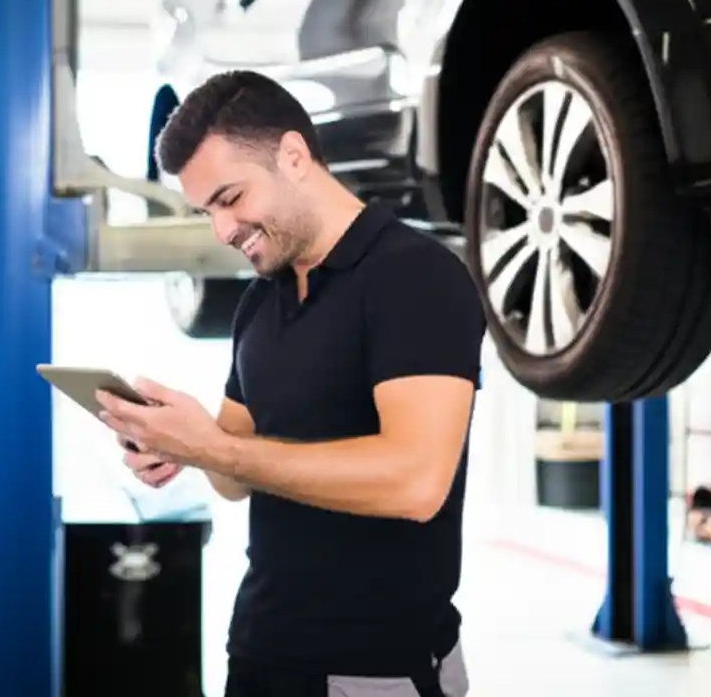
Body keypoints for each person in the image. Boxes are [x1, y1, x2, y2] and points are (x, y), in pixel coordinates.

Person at [95, 70, 485, 697]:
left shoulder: (416, 278)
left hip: (376, 669)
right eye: (206, 212)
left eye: (230, 198)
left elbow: (417, 481)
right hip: (261, 651)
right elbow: (235, 479)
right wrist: (183, 442)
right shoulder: (259, 302)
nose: (221, 230)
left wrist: (214, 449)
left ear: (294, 156)